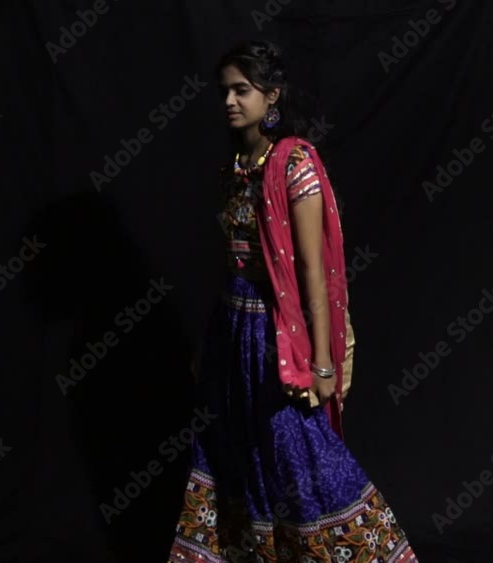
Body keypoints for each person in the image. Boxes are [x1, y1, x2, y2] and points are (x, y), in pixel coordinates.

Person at [167, 40, 418, 562]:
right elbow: (230, 264)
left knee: (299, 455)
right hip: (232, 334)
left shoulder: (294, 163)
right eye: (225, 92)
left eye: (242, 90)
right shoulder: (234, 168)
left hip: (277, 335)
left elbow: (313, 273)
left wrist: (324, 361)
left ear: (271, 95)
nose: (230, 101)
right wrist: (210, 344)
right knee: (239, 453)